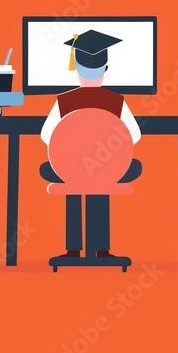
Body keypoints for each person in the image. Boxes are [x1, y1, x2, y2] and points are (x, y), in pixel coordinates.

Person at [40, 30, 142, 258]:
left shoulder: (63, 100)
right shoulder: (117, 101)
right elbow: (134, 136)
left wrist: (73, 151)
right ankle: (101, 249)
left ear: (76, 69)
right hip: (107, 167)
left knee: (60, 170)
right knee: (113, 172)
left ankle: (73, 249)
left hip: (71, 168)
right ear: (105, 70)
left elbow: (47, 136)